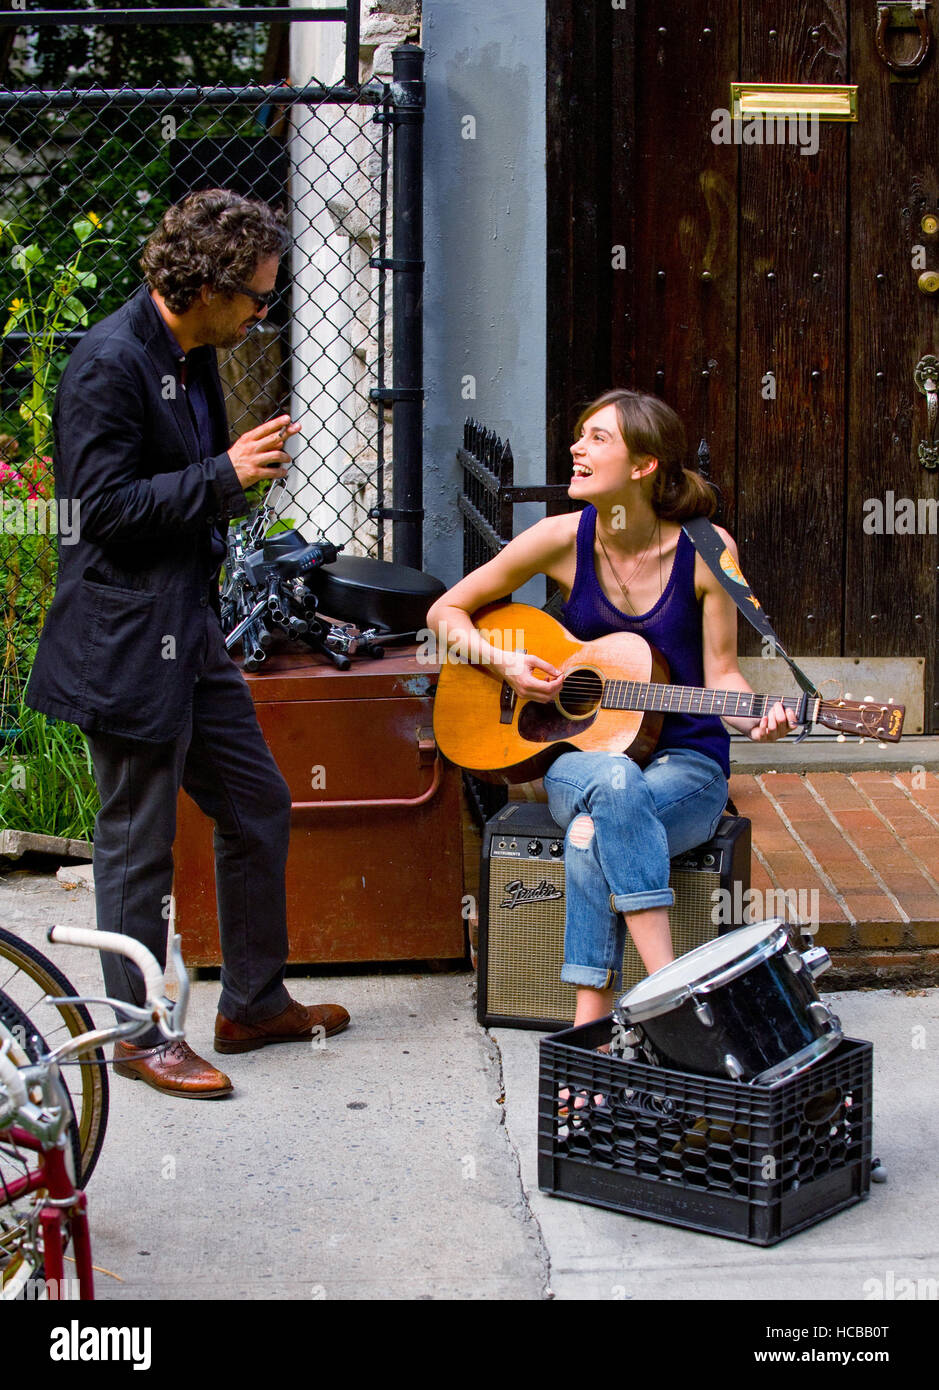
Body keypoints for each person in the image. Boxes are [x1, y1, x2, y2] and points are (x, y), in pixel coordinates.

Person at [26, 189, 349, 1097]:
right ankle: (136, 1035)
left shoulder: (192, 346)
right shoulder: (108, 363)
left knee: (257, 803)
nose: (262, 314)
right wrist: (223, 475)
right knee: (138, 844)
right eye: (255, 298)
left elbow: (182, 489)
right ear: (203, 285)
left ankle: (251, 1002)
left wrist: (225, 479)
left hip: (188, 628)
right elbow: (100, 514)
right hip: (125, 635)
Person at [428, 388, 795, 1029]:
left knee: (589, 833)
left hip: (687, 764)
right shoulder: (561, 539)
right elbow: (444, 613)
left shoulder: (710, 551)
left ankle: (588, 1027)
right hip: (577, 760)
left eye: (598, 438)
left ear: (645, 465)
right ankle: (674, 994)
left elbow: (724, 676)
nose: (576, 447)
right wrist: (504, 663)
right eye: (581, 433)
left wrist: (758, 715)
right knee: (613, 776)